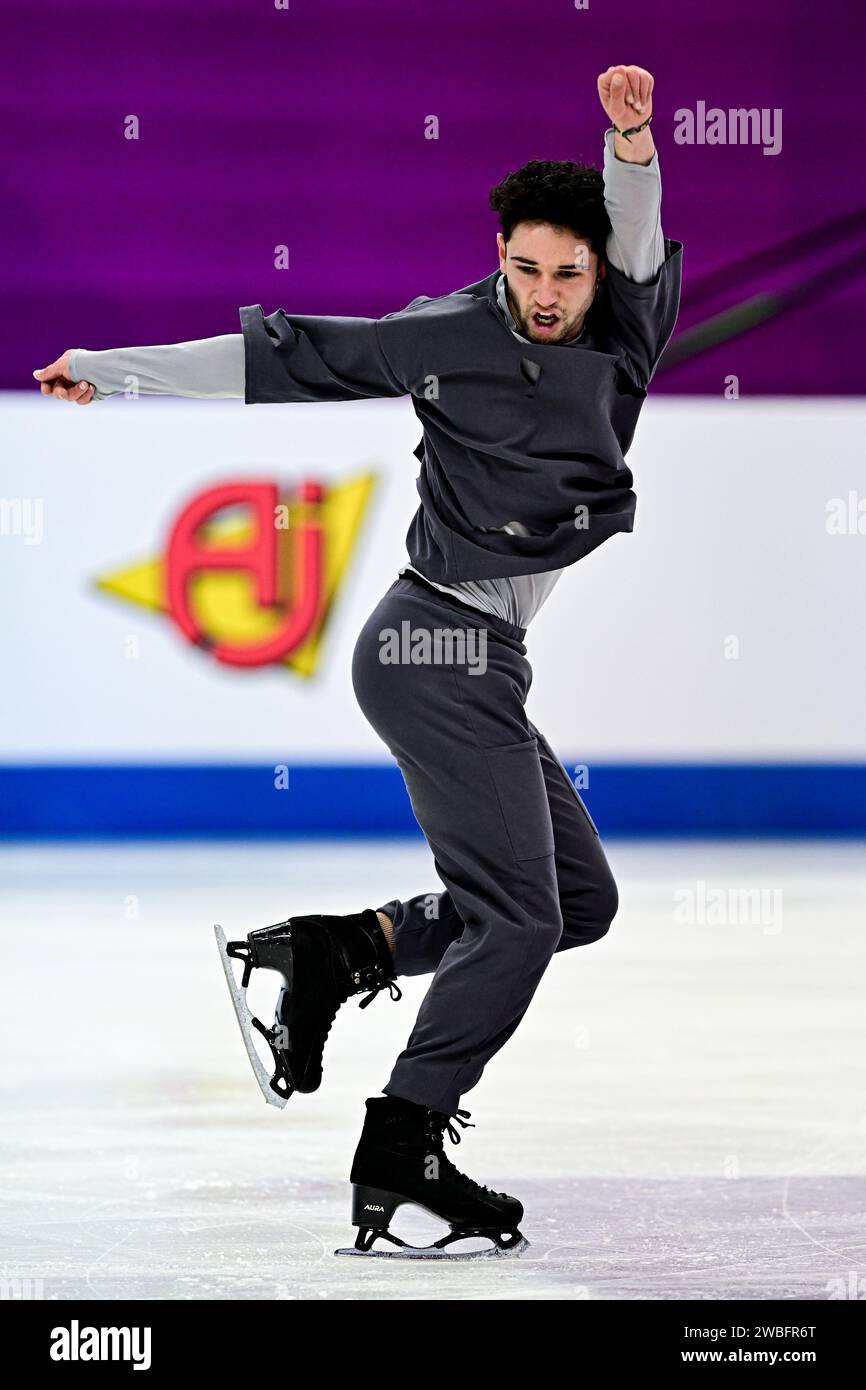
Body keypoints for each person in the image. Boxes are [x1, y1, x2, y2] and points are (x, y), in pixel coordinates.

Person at [34, 64, 682, 1260]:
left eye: (567, 272)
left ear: (602, 273)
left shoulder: (626, 326)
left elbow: (634, 228)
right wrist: (113, 367)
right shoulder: (446, 336)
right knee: (520, 916)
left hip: (479, 655)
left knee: (570, 903)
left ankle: (335, 952)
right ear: (498, 254)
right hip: (433, 644)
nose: (543, 295)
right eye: (524, 267)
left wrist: (627, 144)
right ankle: (404, 1146)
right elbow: (282, 356)